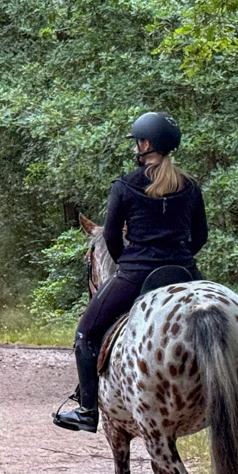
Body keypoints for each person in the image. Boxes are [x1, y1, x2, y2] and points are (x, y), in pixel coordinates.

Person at [52, 111, 208, 433]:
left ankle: (87, 411)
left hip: (136, 273)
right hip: (186, 272)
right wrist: (180, 261)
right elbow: (201, 236)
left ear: (146, 143)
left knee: (85, 335)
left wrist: (128, 264)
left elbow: (109, 237)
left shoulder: (124, 186)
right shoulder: (190, 186)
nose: (136, 146)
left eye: (138, 141)